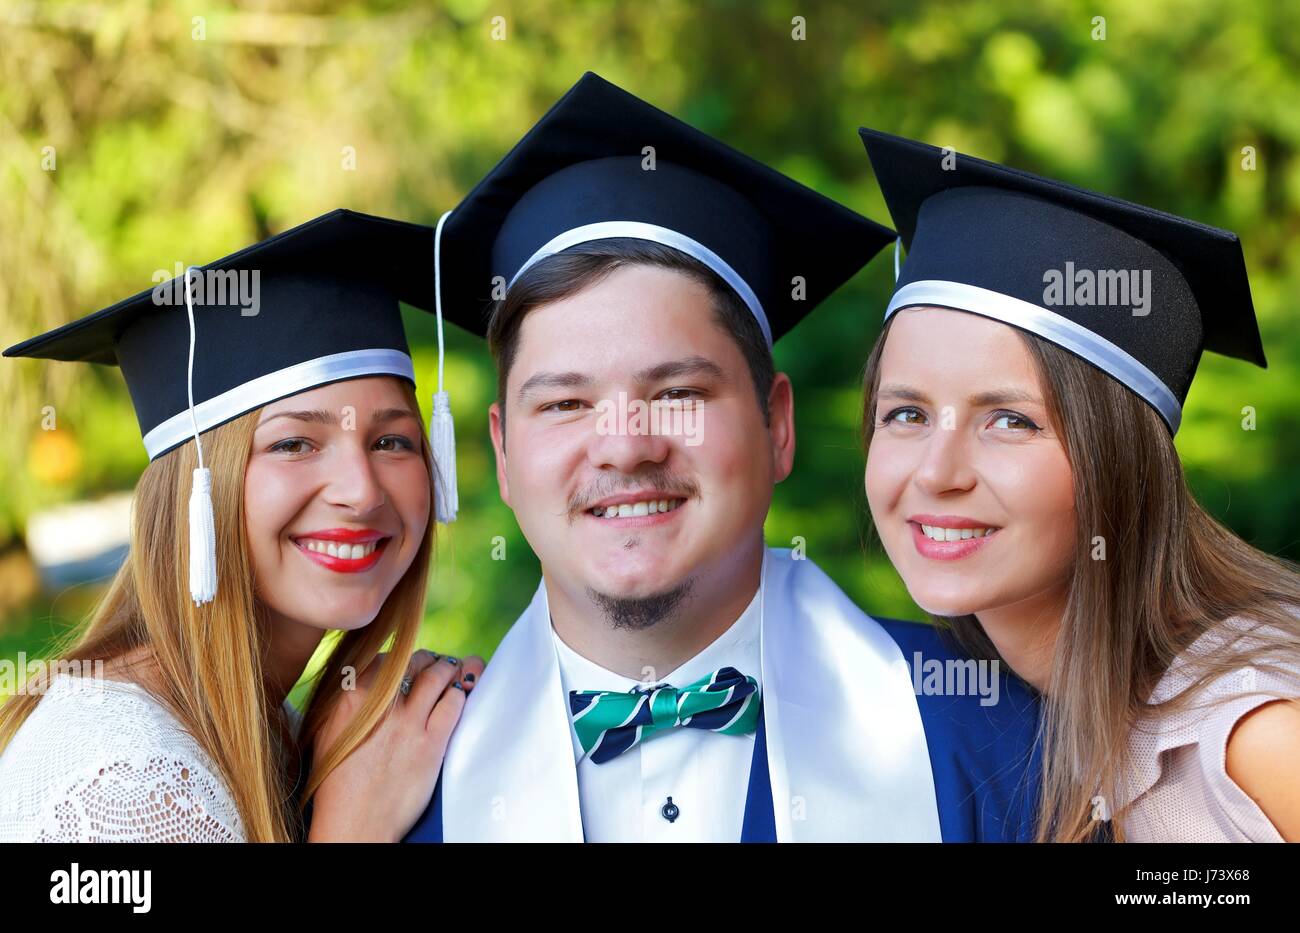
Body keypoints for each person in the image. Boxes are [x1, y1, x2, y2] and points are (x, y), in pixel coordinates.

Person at [405, 73, 1041, 843]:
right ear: (503, 452)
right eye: (566, 403)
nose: (627, 445)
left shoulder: (1004, 744)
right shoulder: (391, 790)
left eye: (677, 391)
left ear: (777, 424)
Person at [857, 127, 1300, 842]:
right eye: (906, 412)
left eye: (1008, 420)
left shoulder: (1254, 733)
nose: (936, 473)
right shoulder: (970, 716)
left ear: (1116, 459)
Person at [0, 209, 484, 842]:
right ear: (197, 492)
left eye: (391, 440)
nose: (362, 491)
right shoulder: (124, 782)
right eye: (293, 445)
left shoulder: (265, 726)